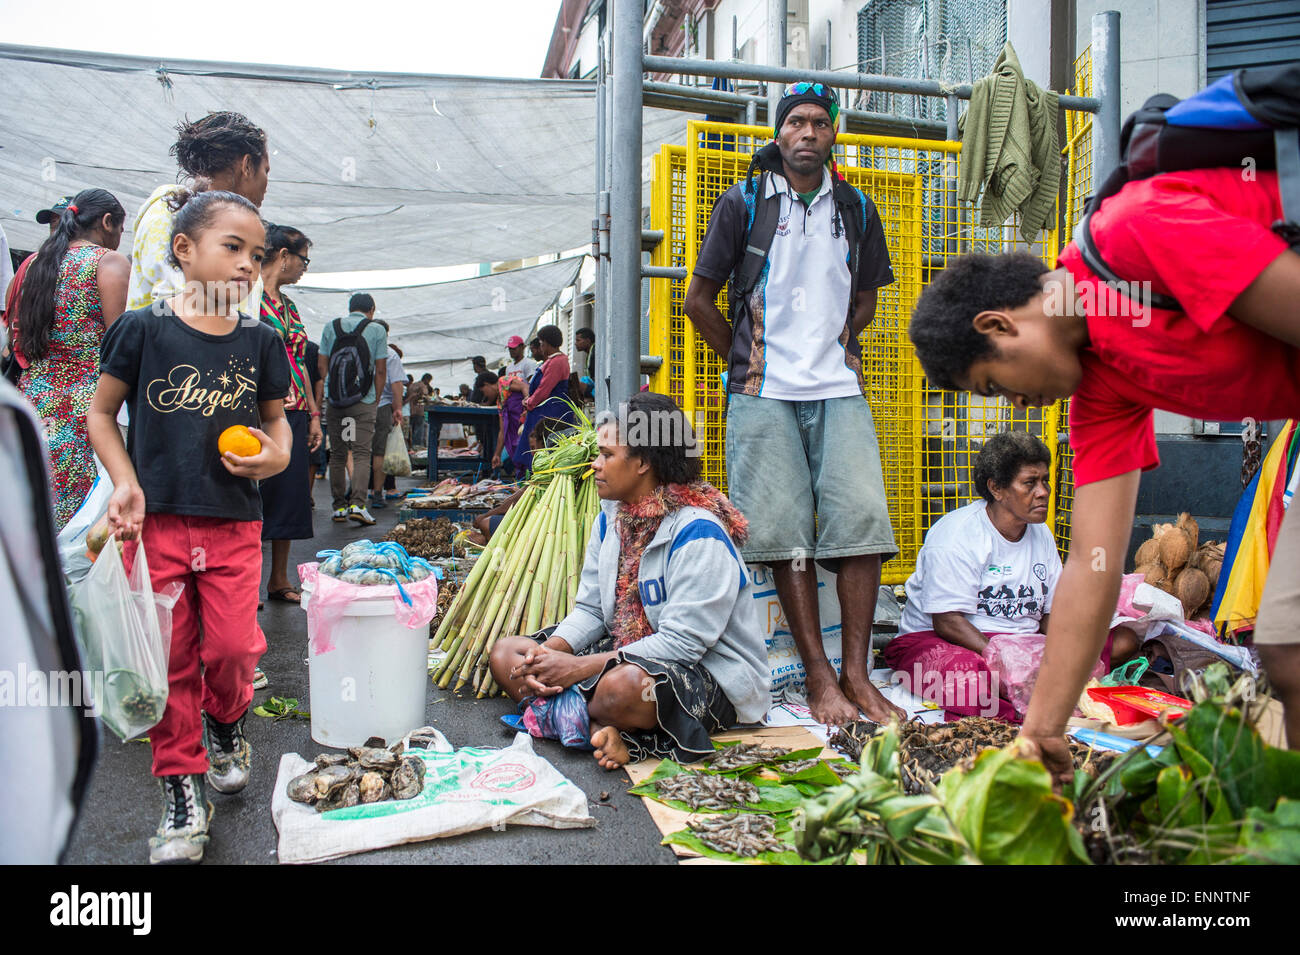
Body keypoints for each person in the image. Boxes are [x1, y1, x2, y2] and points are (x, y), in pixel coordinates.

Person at [906, 165, 1300, 774]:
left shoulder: (1131, 236)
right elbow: (1091, 565)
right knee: (1288, 654)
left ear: (999, 327)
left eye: (996, 386)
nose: (1017, 406)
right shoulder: (1100, 392)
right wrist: (1042, 733)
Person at [684, 81, 901, 725]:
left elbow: (866, 297)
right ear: (778, 135)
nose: (807, 132)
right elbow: (699, 300)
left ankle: (857, 675)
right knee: (785, 537)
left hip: (838, 388)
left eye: (819, 123)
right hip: (762, 395)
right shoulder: (744, 202)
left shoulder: (857, 208)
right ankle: (818, 677)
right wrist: (747, 359)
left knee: (862, 527)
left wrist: (838, 345)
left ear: (834, 135)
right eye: (796, 123)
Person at [86, 189, 292, 864]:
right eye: (232, 248)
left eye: (257, 256)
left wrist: (275, 454)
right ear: (184, 250)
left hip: (234, 525)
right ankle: (180, 791)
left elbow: (279, 426)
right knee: (168, 666)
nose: (246, 266)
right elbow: (100, 415)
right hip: (158, 526)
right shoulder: (142, 330)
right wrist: (125, 481)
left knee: (232, 652)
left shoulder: (262, 341)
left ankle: (226, 724)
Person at [489, 392, 768, 769]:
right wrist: (550, 654)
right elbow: (590, 609)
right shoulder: (611, 518)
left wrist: (578, 668)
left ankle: (600, 726)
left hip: (708, 671)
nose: (596, 464)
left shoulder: (699, 531)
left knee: (624, 690)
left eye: (607, 455)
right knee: (507, 655)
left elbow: (683, 644)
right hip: (625, 651)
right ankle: (596, 722)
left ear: (642, 463)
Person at [886, 431, 1138, 721]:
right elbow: (946, 621)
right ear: (996, 488)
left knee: (1122, 642)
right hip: (948, 642)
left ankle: (1033, 688)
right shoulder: (956, 535)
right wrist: (1004, 659)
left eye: (1045, 480)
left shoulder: (1040, 533)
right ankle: (1029, 701)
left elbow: (1048, 616)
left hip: (1023, 644)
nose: (1043, 491)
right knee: (973, 679)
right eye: (1030, 483)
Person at [15, 189, 129, 530]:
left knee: (35, 507)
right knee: (82, 520)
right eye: (121, 230)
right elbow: (118, 344)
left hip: (34, 401)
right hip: (86, 409)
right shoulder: (107, 262)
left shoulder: (34, 262)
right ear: (107, 222)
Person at [127, 112, 269, 312]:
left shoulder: (238, 227)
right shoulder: (170, 213)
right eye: (266, 170)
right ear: (246, 166)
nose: (266, 184)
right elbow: (175, 310)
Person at [258, 224, 321, 604]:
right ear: (283, 255)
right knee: (254, 494)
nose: (304, 268)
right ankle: (246, 584)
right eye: (303, 260)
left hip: (295, 409)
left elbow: (301, 363)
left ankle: (278, 579)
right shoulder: (247, 298)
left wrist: (314, 414)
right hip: (257, 409)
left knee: (288, 493)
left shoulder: (290, 306)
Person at [318, 292, 387, 526]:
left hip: (336, 402)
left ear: (350, 308)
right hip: (363, 401)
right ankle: (358, 504)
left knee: (337, 454)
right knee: (360, 453)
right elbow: (380, 369)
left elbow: (322, 364)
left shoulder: (331, 327)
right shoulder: (376, 329)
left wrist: (332, 390)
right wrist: (374, 399)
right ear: (372, 310)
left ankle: (338, 507)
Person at [3, 196, 73, 379]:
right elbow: (11, 309)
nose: (56, 231)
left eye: (61, 224)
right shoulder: (33, 263)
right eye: (53, 225)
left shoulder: (32, 262)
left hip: (29, 374)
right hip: (56, 373)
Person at [517, 324, 574, 472]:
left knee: (545, 448)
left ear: (547, 343)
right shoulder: (551, 360)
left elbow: (544, 389)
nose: (541, 347)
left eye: (541, 344)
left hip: (551, 410)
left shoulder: (558, 361)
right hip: (543, 408)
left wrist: (529, 402)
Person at [368, 322, 404, 510]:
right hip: (381, 406)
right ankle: (377, 492)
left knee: (359, 450)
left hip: (359, 407)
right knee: (380, 451)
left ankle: (355, 491)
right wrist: (397, 408)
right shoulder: (390, 354)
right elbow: (397, 384)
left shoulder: (361, 348)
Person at [485, 364, 529, 476]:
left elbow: (524, 386)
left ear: (487, 385)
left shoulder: (503, 381)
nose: (485, 396)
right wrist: (497, 454)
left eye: (484, 391)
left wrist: (528, 406)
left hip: (527, 423)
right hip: (518, 431)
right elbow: (502, 430)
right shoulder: (500, 403)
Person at [408, 372, 433, 448]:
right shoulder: (423, 386)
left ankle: (410, 447)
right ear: (427, 379)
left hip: (410, 410)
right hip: (419, 411)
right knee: (419, 432)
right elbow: (425, 397)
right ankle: (417, 448)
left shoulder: (412, 385)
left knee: (411, 431)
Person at [572, 326, 596, 400]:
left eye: (578, 340)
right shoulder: (590, 353)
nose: (575, 344)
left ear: (588, 341)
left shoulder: (595, 353)